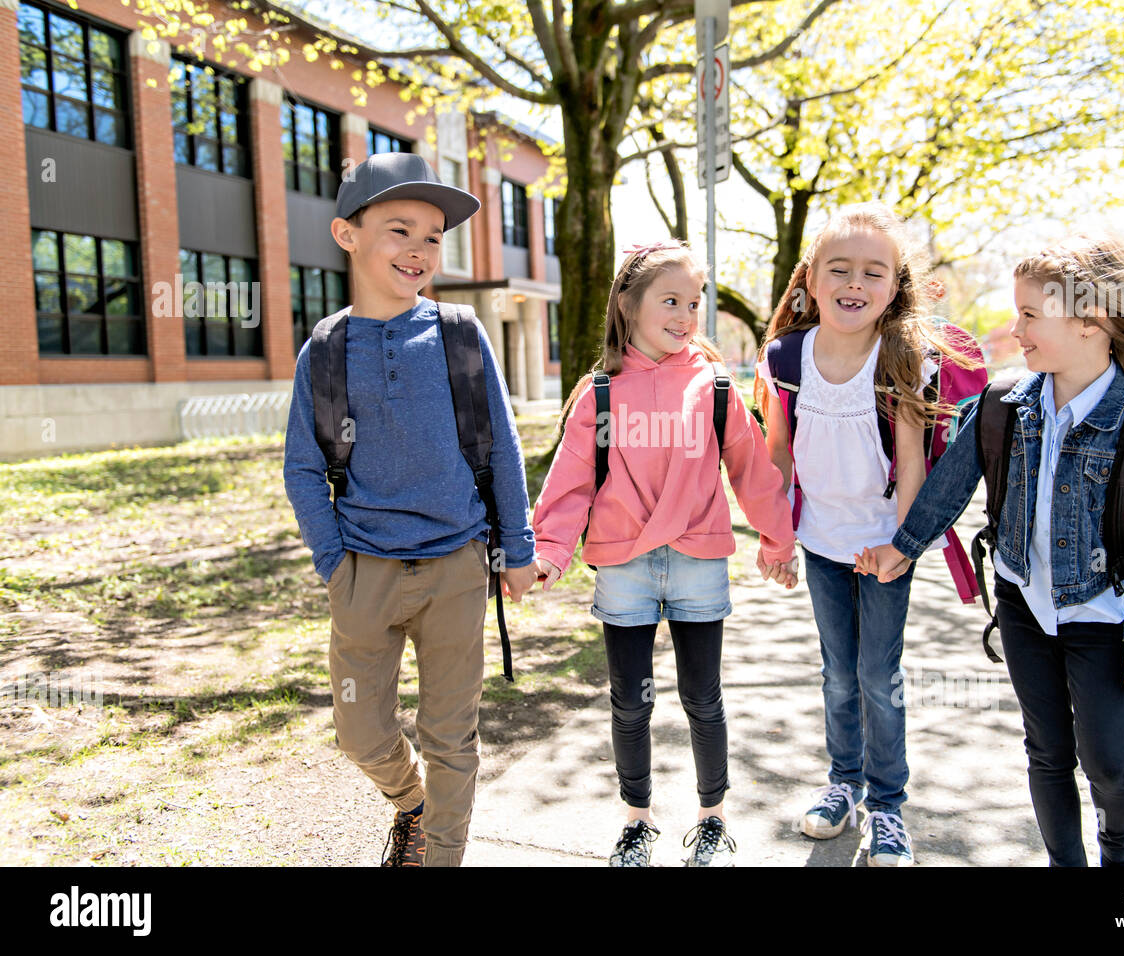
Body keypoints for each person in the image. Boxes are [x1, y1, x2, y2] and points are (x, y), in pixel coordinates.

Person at [869, 235, 1124, 866]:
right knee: (1045, 750)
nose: (1014, 329)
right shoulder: (1002, 406)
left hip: (1104, 618)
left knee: (1108, 760)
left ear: (1091, 323)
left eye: (1028, 315)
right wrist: (902, 548)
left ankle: (1118, 855)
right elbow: (950, 486)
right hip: (1025, 607)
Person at [283, 152, 538, 867]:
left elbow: (504, 449)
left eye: (432, 236)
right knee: (359, 732)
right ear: (347, 234)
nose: (419, 250)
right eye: (399, 230)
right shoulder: (326, 350)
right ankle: (411, 804)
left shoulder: (460, 334)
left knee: (450, 735)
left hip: (457, 567)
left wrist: (516, 550)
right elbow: (302, 466)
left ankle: (441, 857)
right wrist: (336, 566)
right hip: (364, 572)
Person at [531, 240, 797, 867]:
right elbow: (572, 482)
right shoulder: (599, 392)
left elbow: (752, 474)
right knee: (631, 700)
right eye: (670, 300)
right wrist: (548, 551)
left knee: (703, 697)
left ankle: (711, 819)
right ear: (627, 304)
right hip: (622, 566)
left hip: (698, 562)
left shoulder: (716, 387)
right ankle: (637, 821)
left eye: (694, 303)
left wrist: (778, 542)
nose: (684, 315)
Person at [755, 202, 975, 865]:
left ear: (894, 285)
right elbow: (778, 454)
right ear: (810, 281)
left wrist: (902, 549)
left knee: (878, 674)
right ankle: (843, 784)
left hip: (882, 545)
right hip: (822, 542)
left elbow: (911, 461)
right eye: (839, 269)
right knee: (838, 674)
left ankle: (887, 804)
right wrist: (777, 537)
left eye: (873, 273)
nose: (855, 283)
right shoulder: (784, 356)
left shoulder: (900, 357)